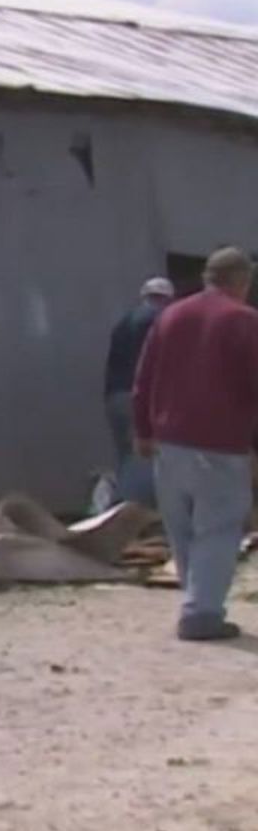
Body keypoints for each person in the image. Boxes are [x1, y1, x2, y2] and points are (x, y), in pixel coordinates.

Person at [133, 247, 258, 643]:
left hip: (169, 442)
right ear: (242, 279)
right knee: (218, 528)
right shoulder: (243, 320)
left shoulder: (171, 315)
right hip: (219, 443)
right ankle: (201, 613)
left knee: (183, 530)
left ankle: (195, 600)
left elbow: (144, 376)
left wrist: (142, 431)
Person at [104, 277, 173, 506]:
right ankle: (127, 513)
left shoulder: (123, 323)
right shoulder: (161, 321)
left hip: (115, 397)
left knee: (127, 457)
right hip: (140, 397)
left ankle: (119, 509)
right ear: (167, 299)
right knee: (145, 458)